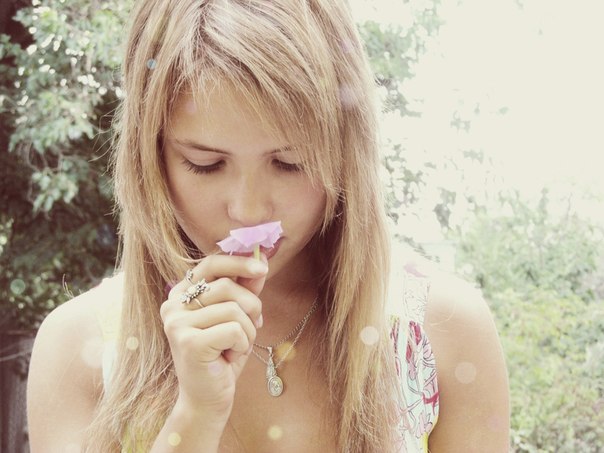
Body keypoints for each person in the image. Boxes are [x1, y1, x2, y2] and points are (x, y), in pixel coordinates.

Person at [26, 0, 510, 451]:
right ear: (149, 158)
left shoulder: (442, 332)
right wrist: (194, 417)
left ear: (346, 155)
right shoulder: (78, 350)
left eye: (290, 163)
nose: (249, 212)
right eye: (205, 164)